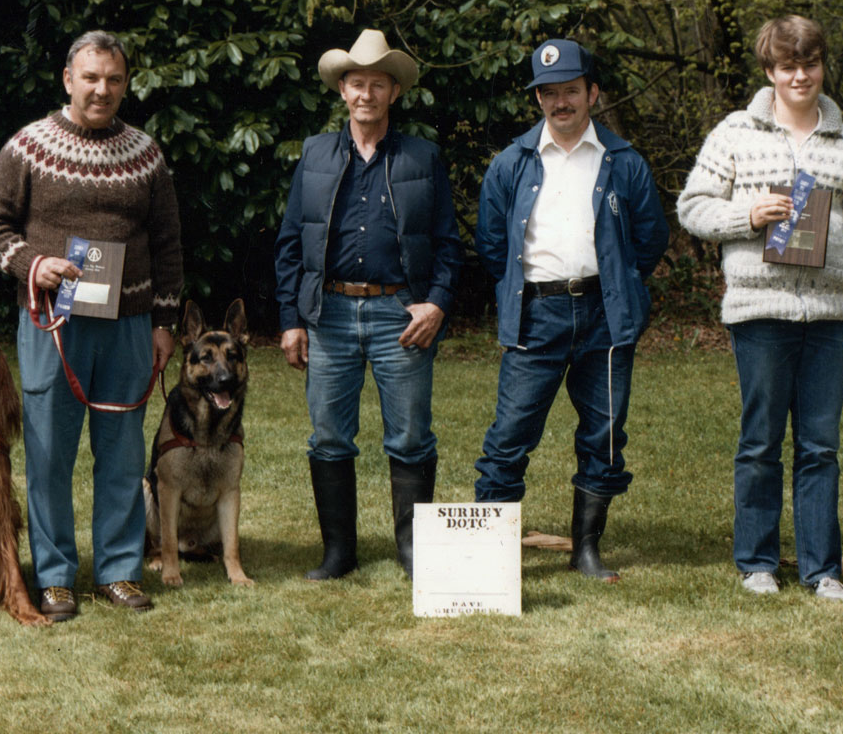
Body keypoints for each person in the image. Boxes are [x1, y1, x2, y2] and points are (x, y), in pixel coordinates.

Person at [677, 15, 843, 599]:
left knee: (820, 446)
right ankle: (757, 562)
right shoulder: (735, 133)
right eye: (788, 66)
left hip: (829, 317)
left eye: (810, 64)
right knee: (760, 442)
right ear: (770, 71)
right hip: (759, 312)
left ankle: (822, 570)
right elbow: (691, 207)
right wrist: (746, 215)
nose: (800, 76)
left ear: (822, 66)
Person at [0, 30, 182, 619]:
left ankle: (119, 569)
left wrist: (164, 321)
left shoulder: (146, 152)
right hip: (53, 323)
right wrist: (32, 265)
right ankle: (55, 575)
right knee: (49, 453)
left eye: (113, 79)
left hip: (129, 325)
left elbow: (167, 243)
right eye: (90, 77)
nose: (101, 90)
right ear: (68, 79)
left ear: (126, 84)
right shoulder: (29, 146)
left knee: (122, 452)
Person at [473, 39, 669, 581]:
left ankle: (585, 549)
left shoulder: (622, 162)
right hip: (535, 315)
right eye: (549, 93)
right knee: (509, 435)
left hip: (606, 314)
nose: (561, 102)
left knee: (604, 435)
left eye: (571, 91)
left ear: (592, 93)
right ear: (538, 98)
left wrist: (619, 286)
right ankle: (490, 557)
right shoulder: (512, 163)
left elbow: (649, 240)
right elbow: (491, 245)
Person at [274, 29, 462, 579]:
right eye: (357, 83)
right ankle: (338, 553)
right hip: (327, 314)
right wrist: (290, 320)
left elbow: (449, 244)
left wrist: (436, 304)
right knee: (329, 436)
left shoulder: (422, 156)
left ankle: (413, 551)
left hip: (400, 315)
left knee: (411, 436)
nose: (366, 94)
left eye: (378, 84)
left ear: (394, 92)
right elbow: (290, 243)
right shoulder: (315, 154)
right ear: (342, 90)